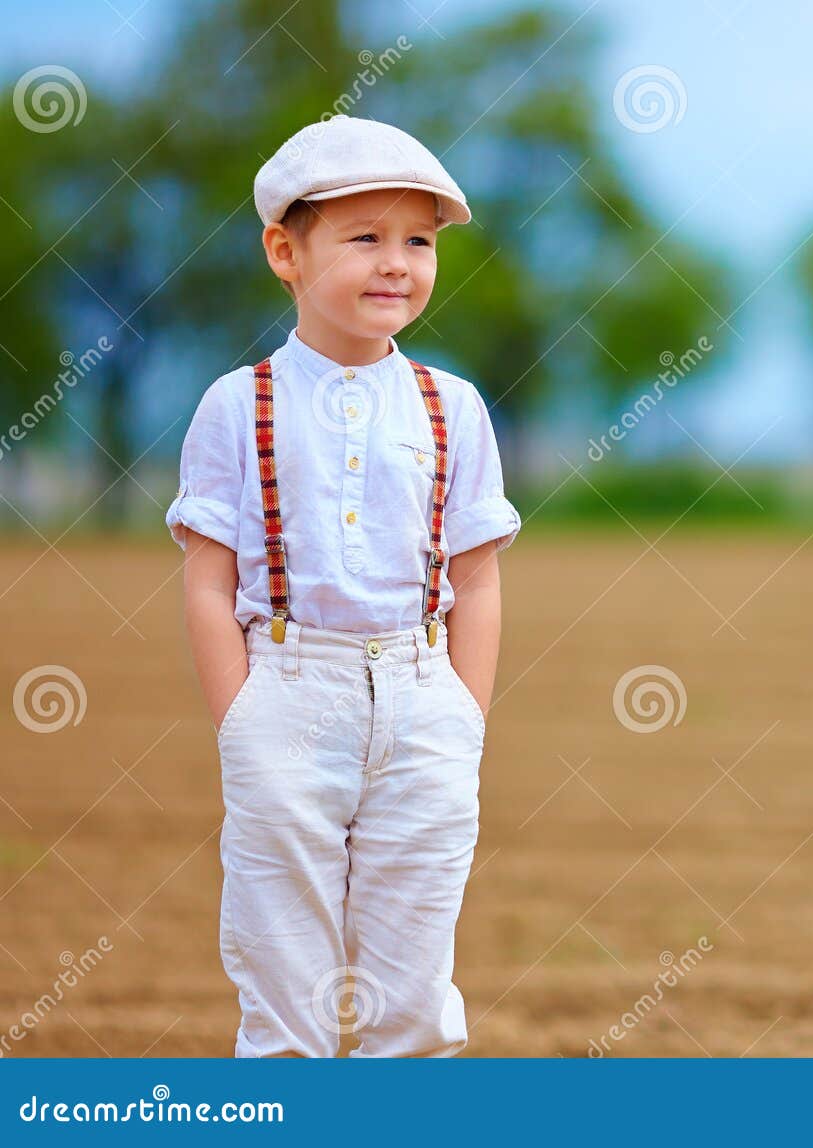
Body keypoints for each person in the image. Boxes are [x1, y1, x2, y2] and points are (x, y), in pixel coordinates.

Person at [164, 114, 521, 1057]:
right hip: (285, 691)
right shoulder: (238, 404)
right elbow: (209, 581)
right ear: (286, 250)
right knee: (284, 989)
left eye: (419, 240)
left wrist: (463, 717)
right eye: (365, 238)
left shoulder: (454, 406)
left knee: (414, 995)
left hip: (423, 697)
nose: (396, 263)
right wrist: (241, 722)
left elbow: (477, 579)